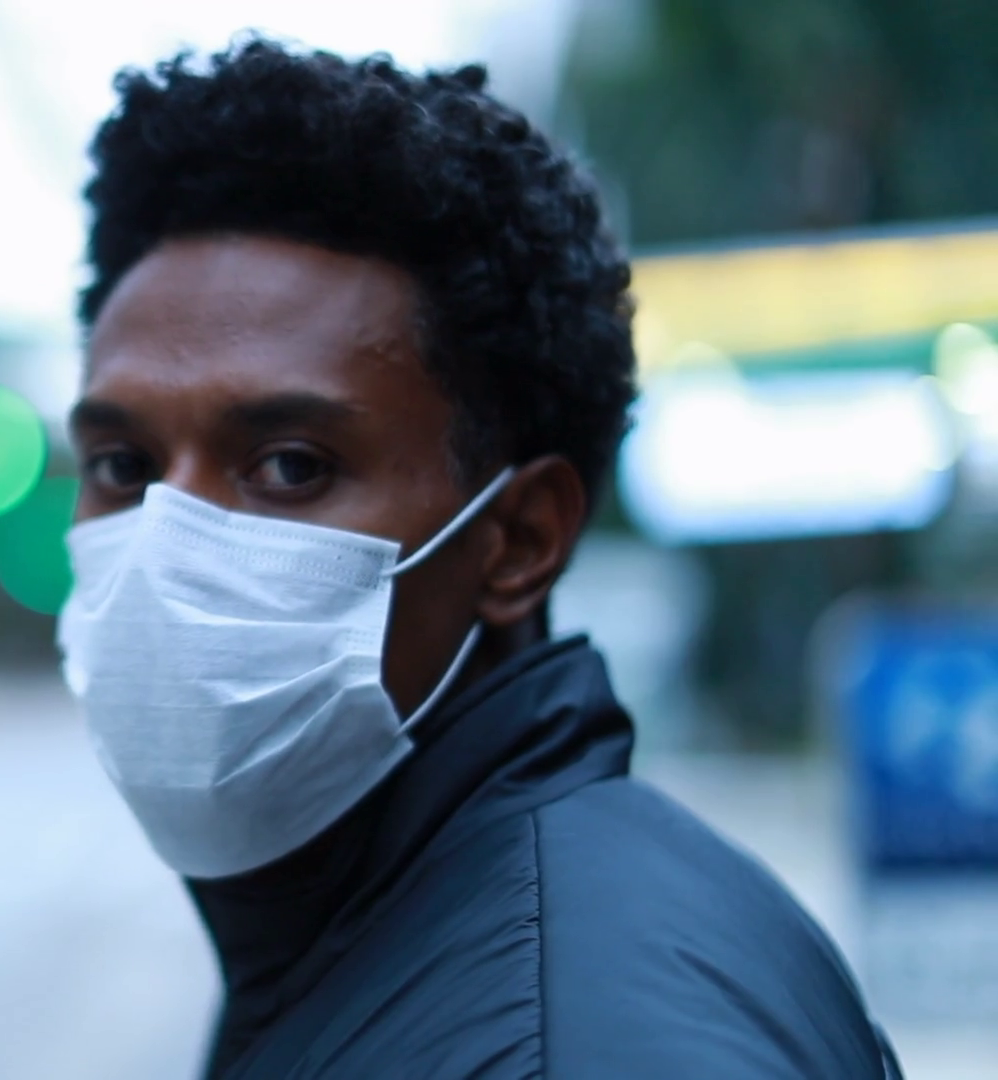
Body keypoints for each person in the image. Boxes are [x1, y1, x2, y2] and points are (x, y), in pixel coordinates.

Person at [54, 36, 903, 1080]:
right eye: (125, 466)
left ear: (519, 541)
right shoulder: (371, 936)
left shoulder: (574, 1042)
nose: (164, 542)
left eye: (289, 466)